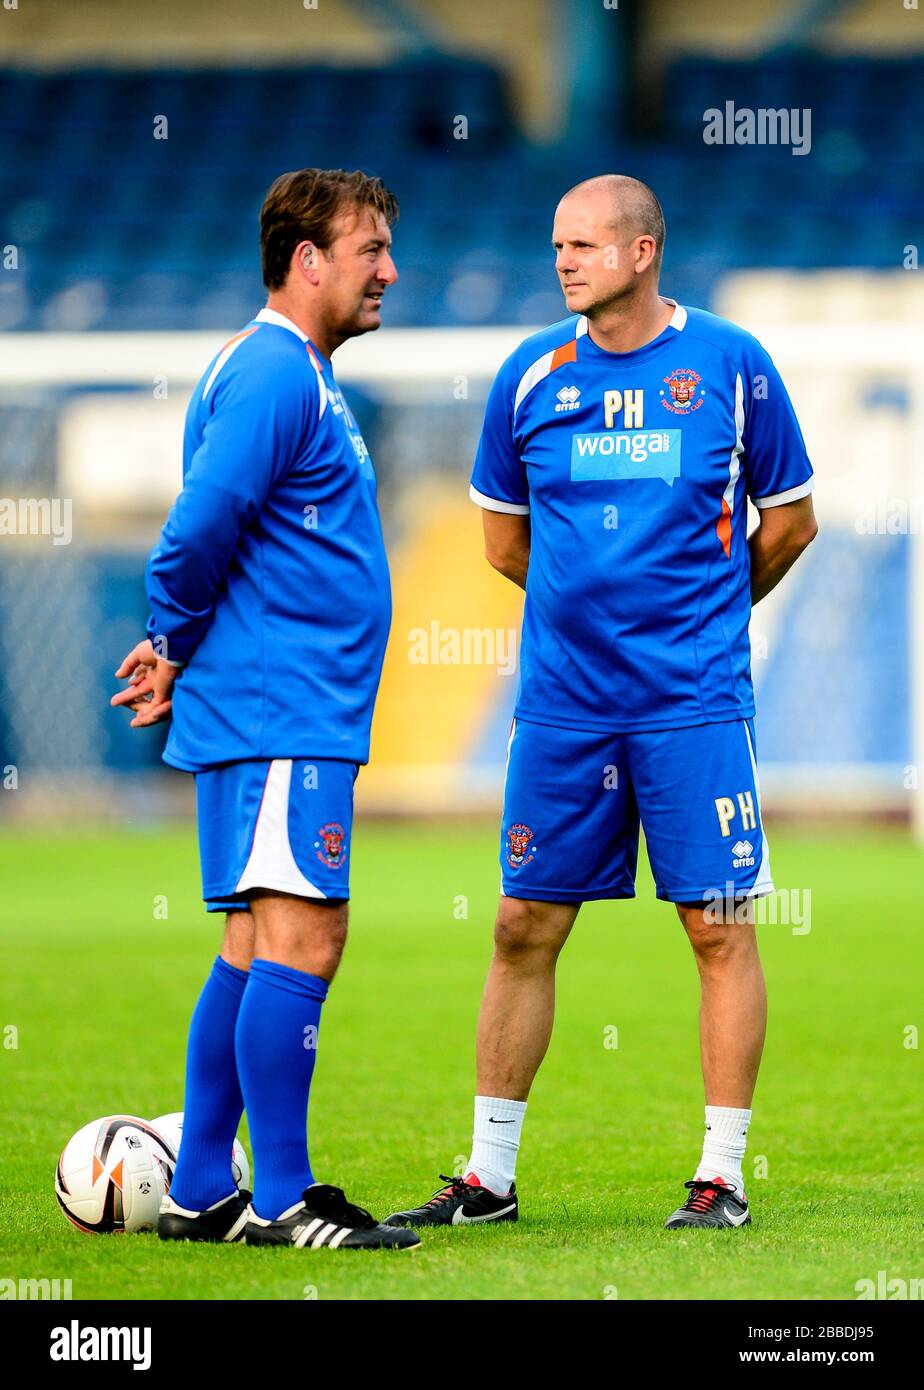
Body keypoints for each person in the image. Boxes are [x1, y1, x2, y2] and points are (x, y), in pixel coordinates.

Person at [386, 174, 817, 1233]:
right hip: (565, 711)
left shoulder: (731, 365)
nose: (564, 260)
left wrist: (702, 613)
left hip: (692, 704)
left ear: (642, 251)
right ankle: (487, 1177)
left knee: (717, 928)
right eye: (556, 244)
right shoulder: (530, 376)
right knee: (521, 922)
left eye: (582, 243)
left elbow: (793, 518)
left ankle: (722, 1175)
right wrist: (592, 621)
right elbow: (501, 539)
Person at [112, 167, 418, 1252]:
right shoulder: (278, 375)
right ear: (308, 261)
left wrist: (176, 645)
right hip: (279, 708)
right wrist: (171, 638)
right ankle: (282, 1197)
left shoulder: (293, 374)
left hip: (282, 707)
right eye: (370, 248)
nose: (389, 269)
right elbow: (200, 526)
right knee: (306, 933)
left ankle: (200, 1187)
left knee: (252, 941)